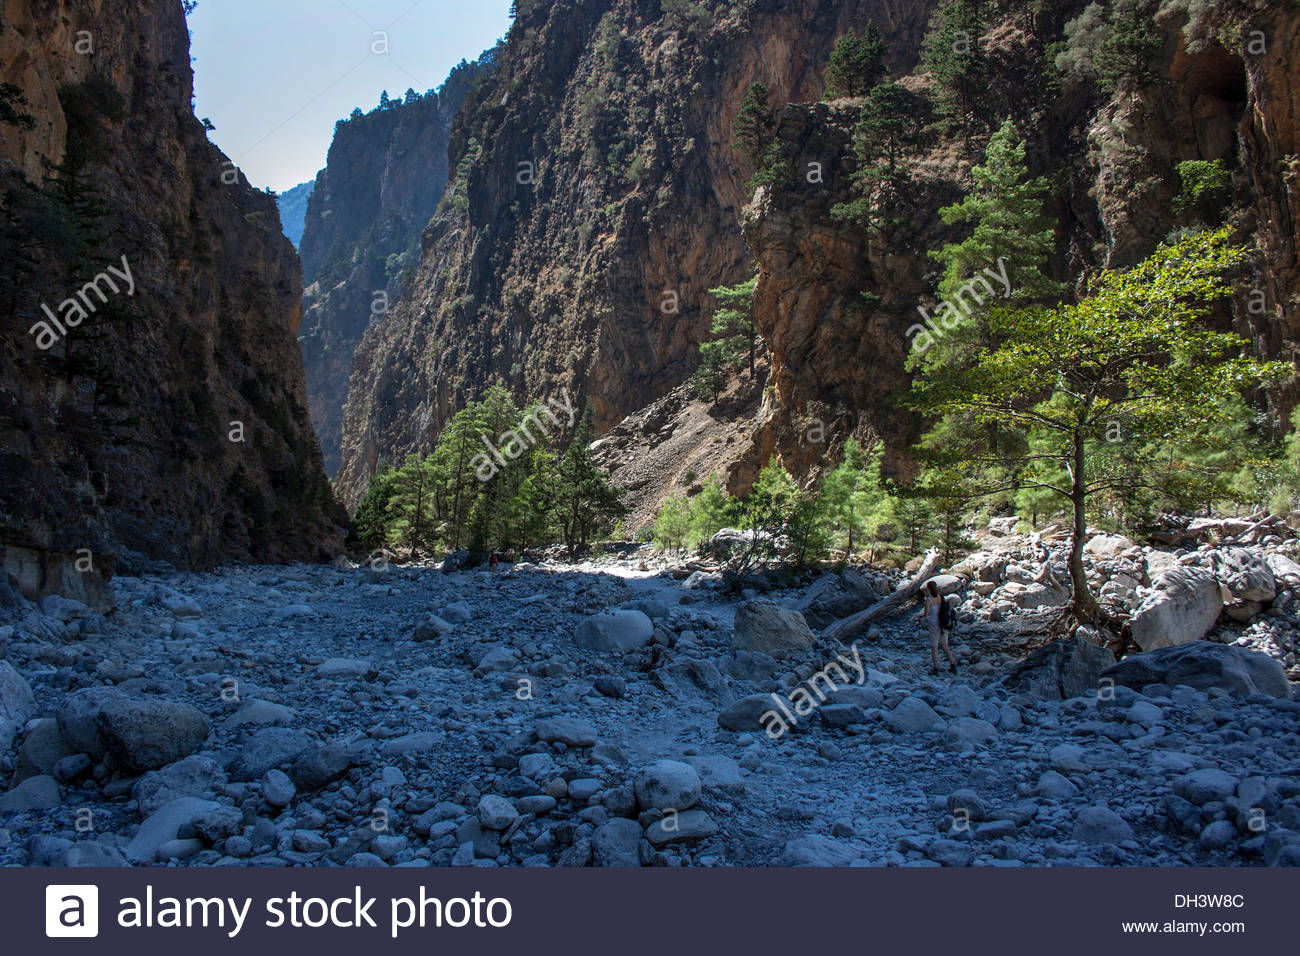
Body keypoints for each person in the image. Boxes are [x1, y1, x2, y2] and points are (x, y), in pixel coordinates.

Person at [921, 580, 957, 676]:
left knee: (934, 647)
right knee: (945, 646)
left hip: (934, 623)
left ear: (928, 589)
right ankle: (953, 665)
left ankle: (935, 668)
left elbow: (926, 614)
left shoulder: (929, 600)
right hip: (943, 623)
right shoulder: (941, 597)